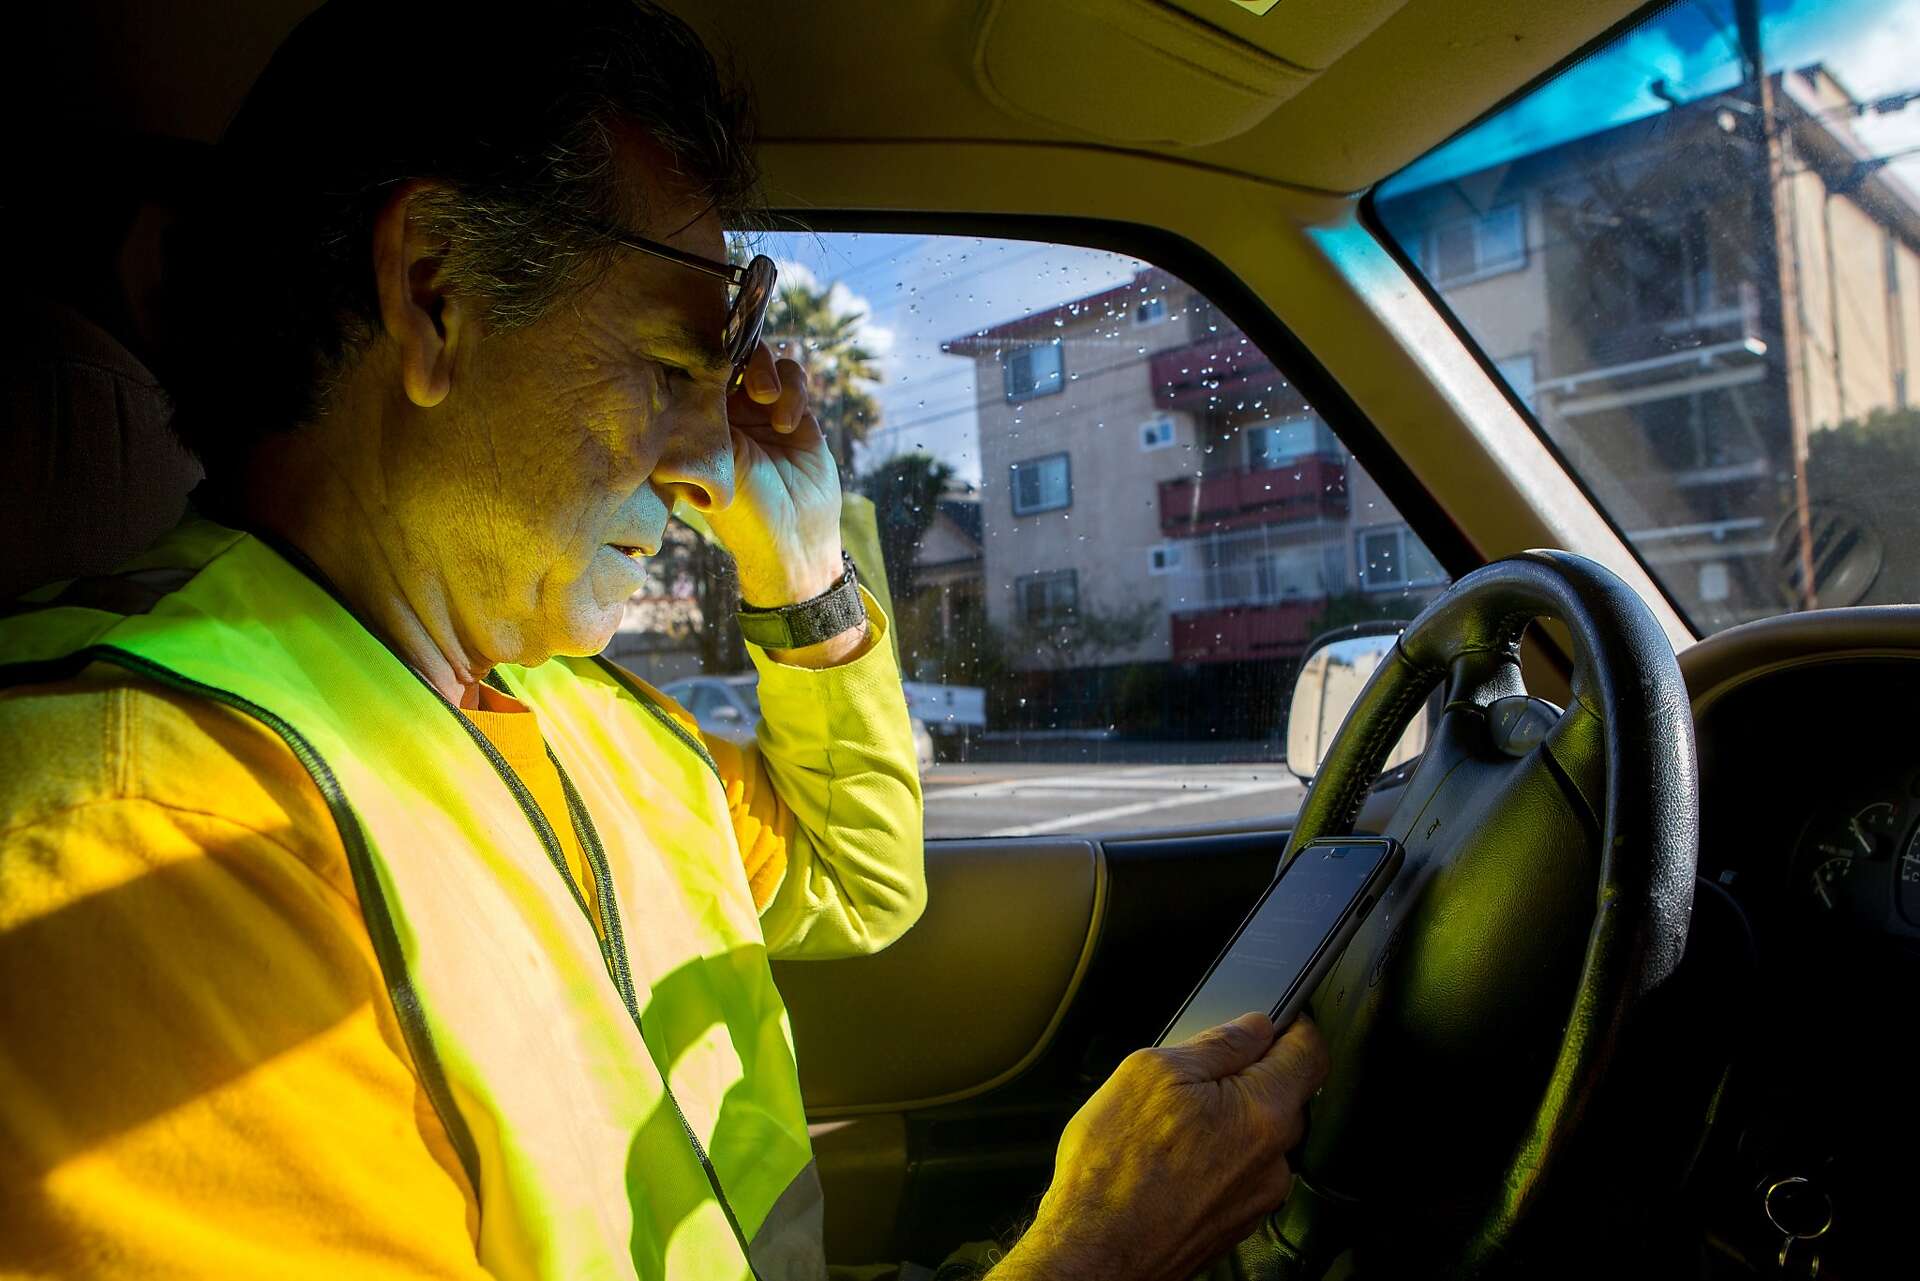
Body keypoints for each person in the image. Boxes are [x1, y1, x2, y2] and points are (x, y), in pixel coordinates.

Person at [0, 3, 1328, 1278]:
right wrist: (1096, 1255)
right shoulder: (134, 820)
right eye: (665, 365)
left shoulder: (568, 708)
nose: (711, 463)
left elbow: (860, 882)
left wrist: (801, 568)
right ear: (434, 290)